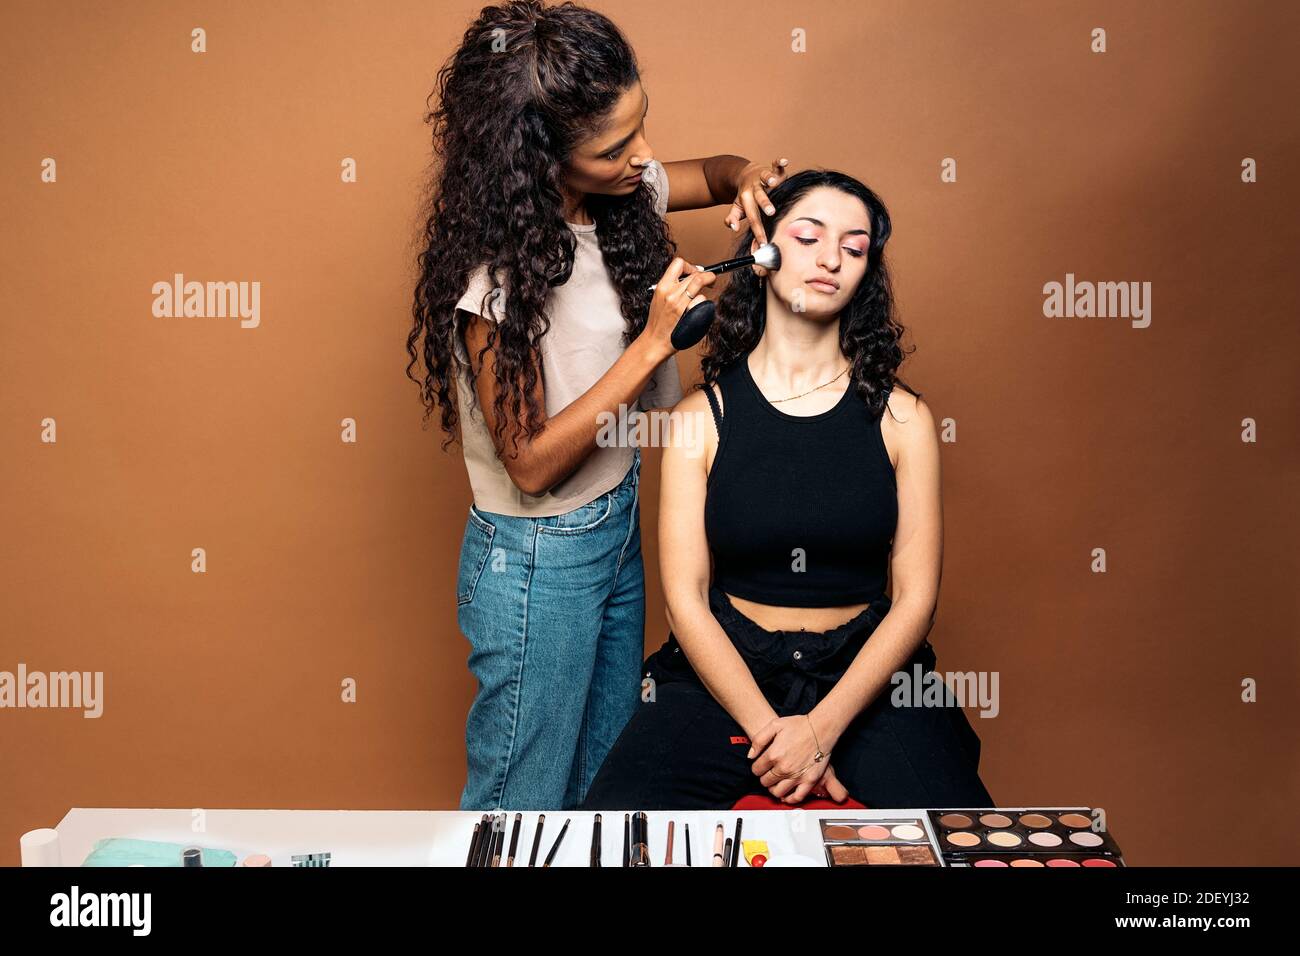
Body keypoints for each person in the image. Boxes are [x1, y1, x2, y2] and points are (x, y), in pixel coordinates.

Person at [407, 0, 792, 810]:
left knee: (603, 794)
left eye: (640, 127)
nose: (643, 158)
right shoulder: (497, 280)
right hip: (539, 559)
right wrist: (651, 345)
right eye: (616, 146)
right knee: (522, 810)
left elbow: (718, 170)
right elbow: (534, 464)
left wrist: (751, 179)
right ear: (538, 153)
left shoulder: (617, 194)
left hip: (613, 528)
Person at [581, 169, 996, 809]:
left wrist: (821, 731)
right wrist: (770, 732)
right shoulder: (698, 420)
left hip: (865, 677)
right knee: (612, 831)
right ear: (763, 255)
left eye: (854, 248)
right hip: (724, 673)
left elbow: (915, 602)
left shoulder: (906, 420)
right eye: (808, 237)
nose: (831, 258)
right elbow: (685, 601)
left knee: (966, 835)